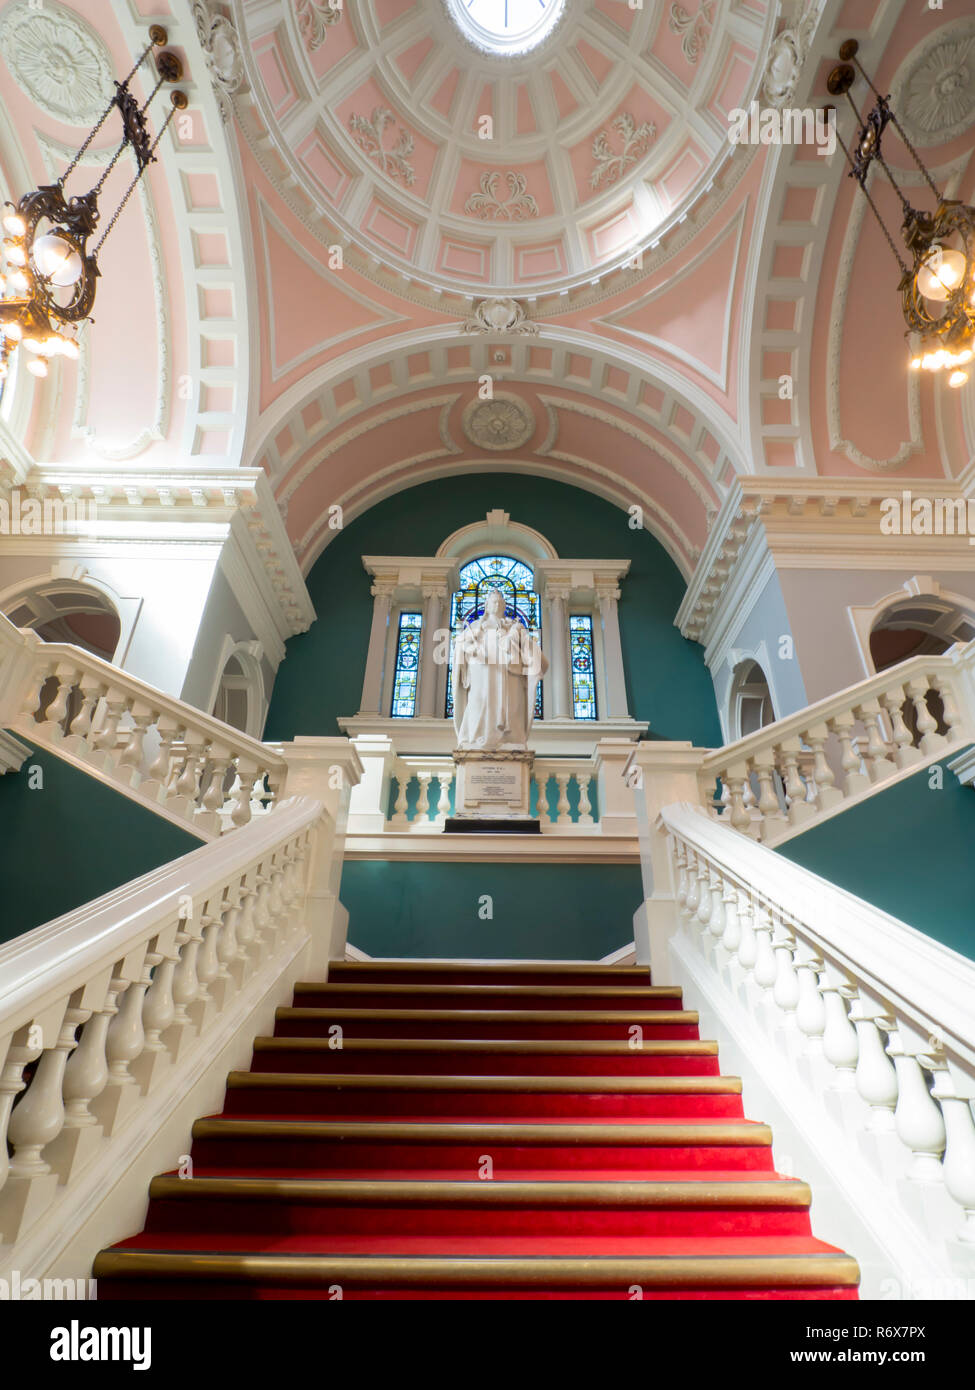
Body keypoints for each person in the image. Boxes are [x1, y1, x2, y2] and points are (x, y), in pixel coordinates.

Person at [452, 589, 548, 751]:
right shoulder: (476, 626)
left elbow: (529, 648)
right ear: (487, 605)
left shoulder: (513, 625)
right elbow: (462, 645)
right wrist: (470, 647)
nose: (497, 605)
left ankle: (510, 738)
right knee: (480, 700)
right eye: (493, 602)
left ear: (504, 606)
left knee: (511, 703)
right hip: (482, 670)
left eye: (500, 602)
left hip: (509, 672)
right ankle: (477, 736)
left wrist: (519, 640)